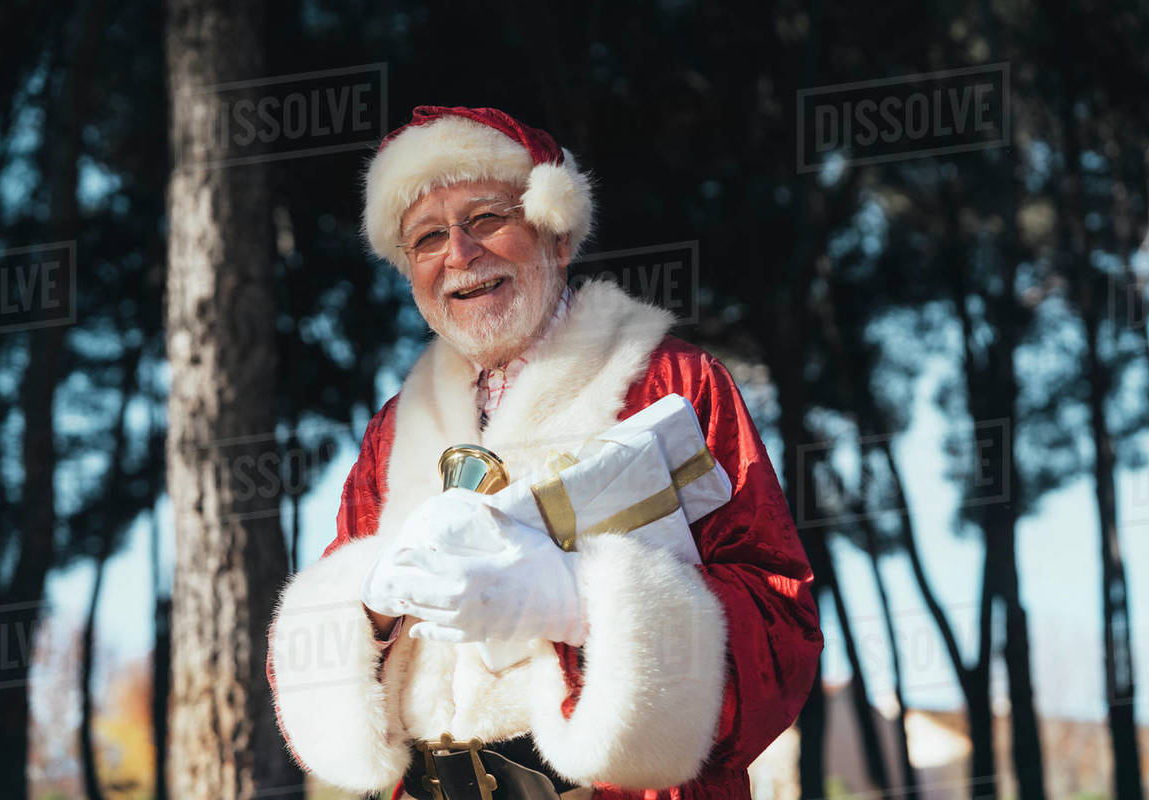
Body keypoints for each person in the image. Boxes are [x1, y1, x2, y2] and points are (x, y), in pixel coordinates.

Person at [267, 105, 823, 800]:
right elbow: (335, 665)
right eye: (427, 237)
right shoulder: (391, 430)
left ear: (556, 237)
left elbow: (783, 631)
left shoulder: (672, 383)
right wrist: (369, 610)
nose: (460, 255)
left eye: (487, 219)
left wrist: (576, 602)